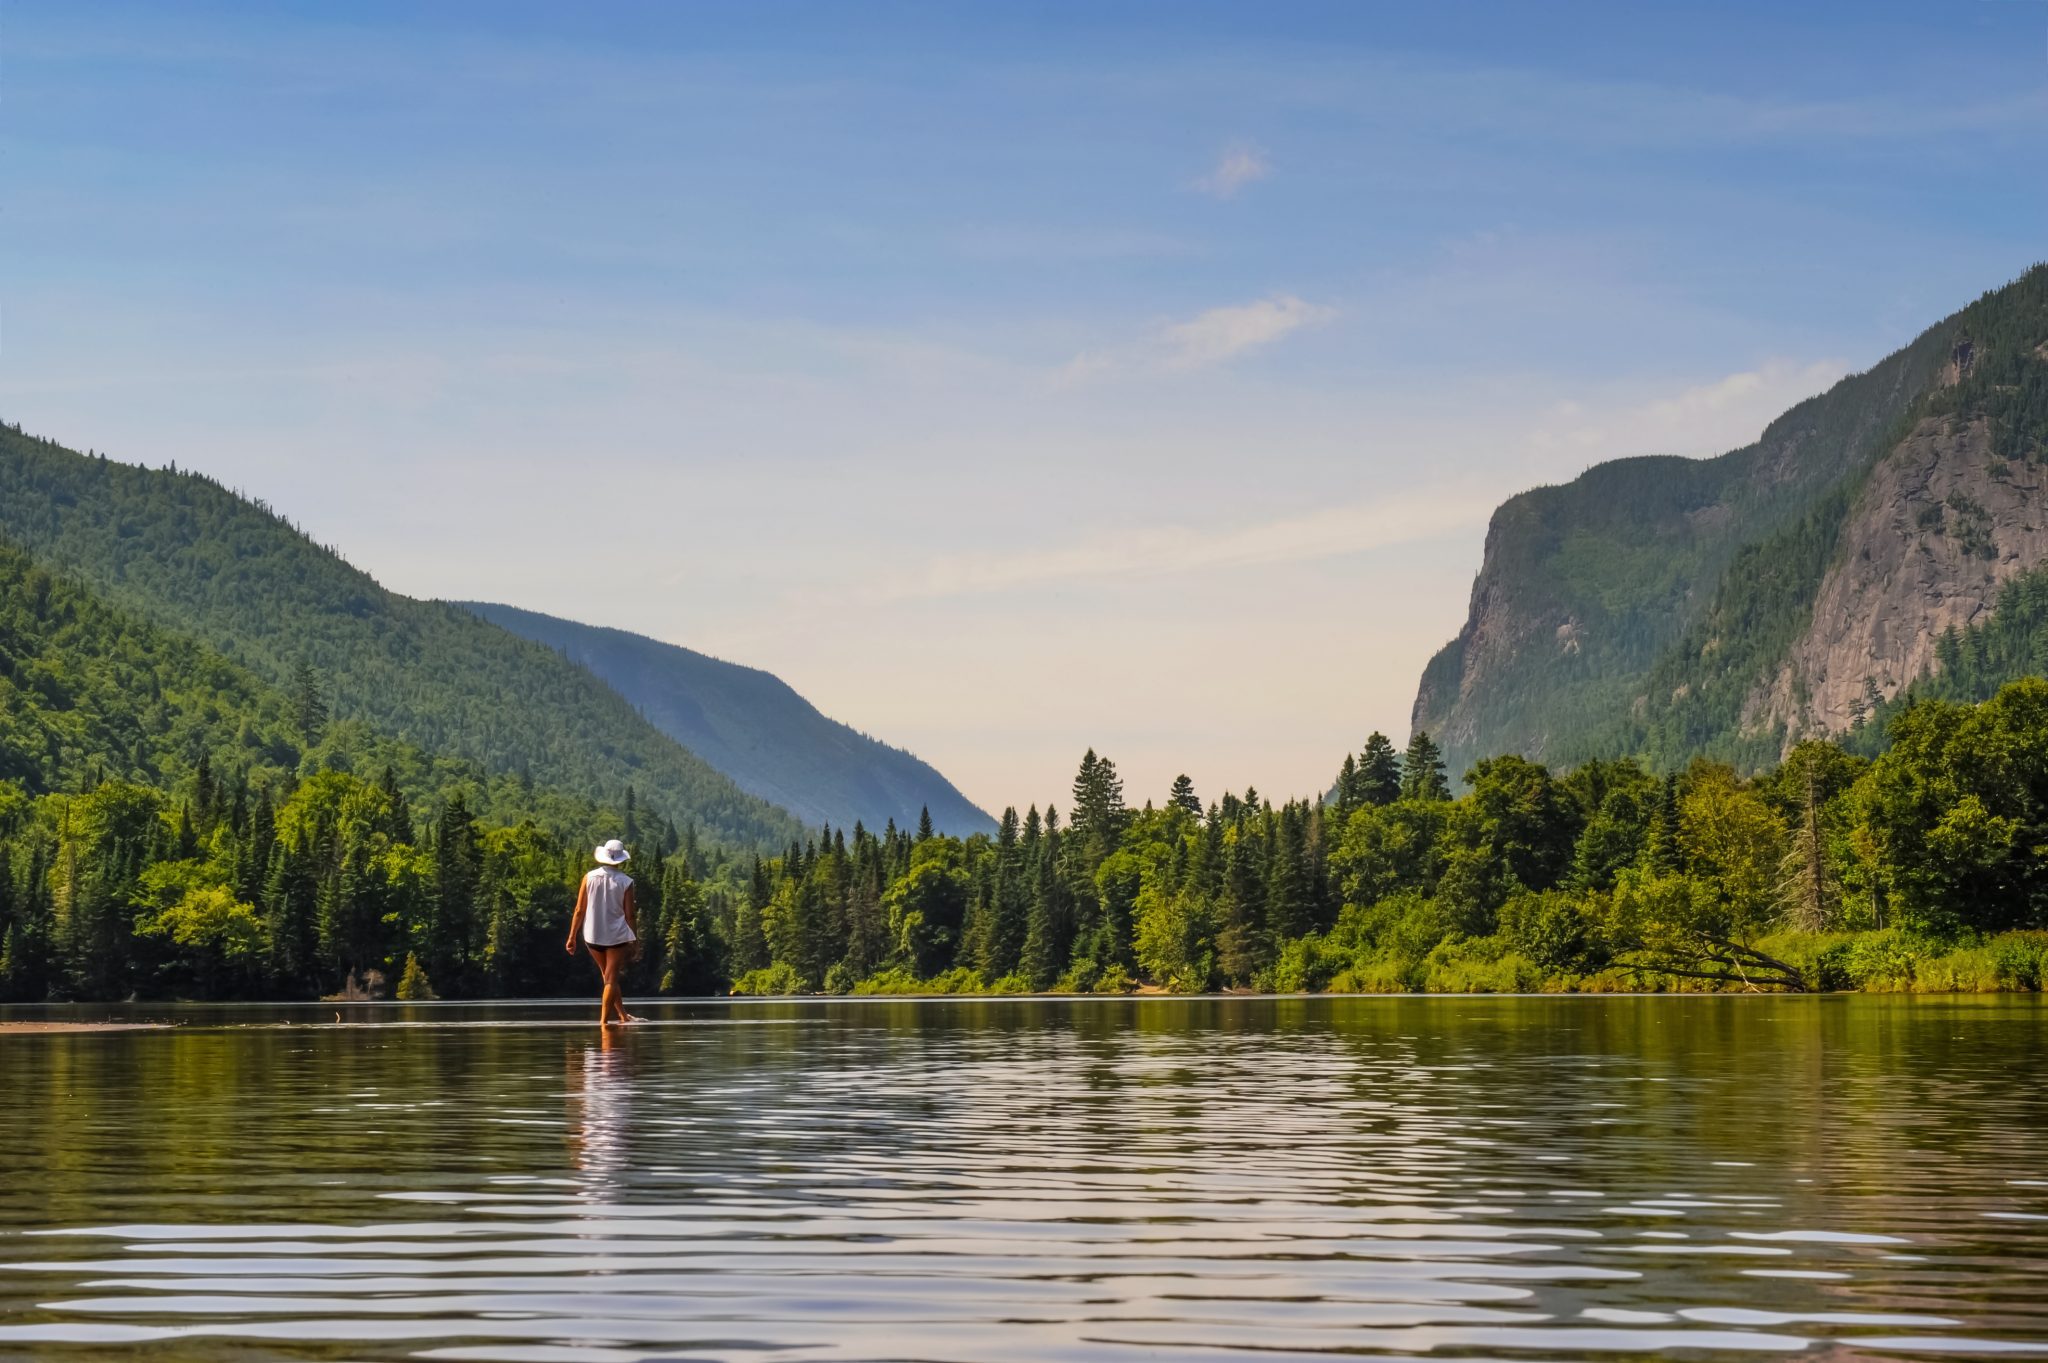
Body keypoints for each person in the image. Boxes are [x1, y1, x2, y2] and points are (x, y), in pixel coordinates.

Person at [565, 838, 641, 1026]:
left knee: (608, 976)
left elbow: (579, 910)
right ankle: (604, 1023)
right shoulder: (626, 882)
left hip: (592, 935)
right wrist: (635, 939)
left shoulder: (588, 877)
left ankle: (623, 1016)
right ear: (621, 859)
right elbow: (630, 915)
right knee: (611, 977)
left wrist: (572, 936)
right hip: (615, 936)